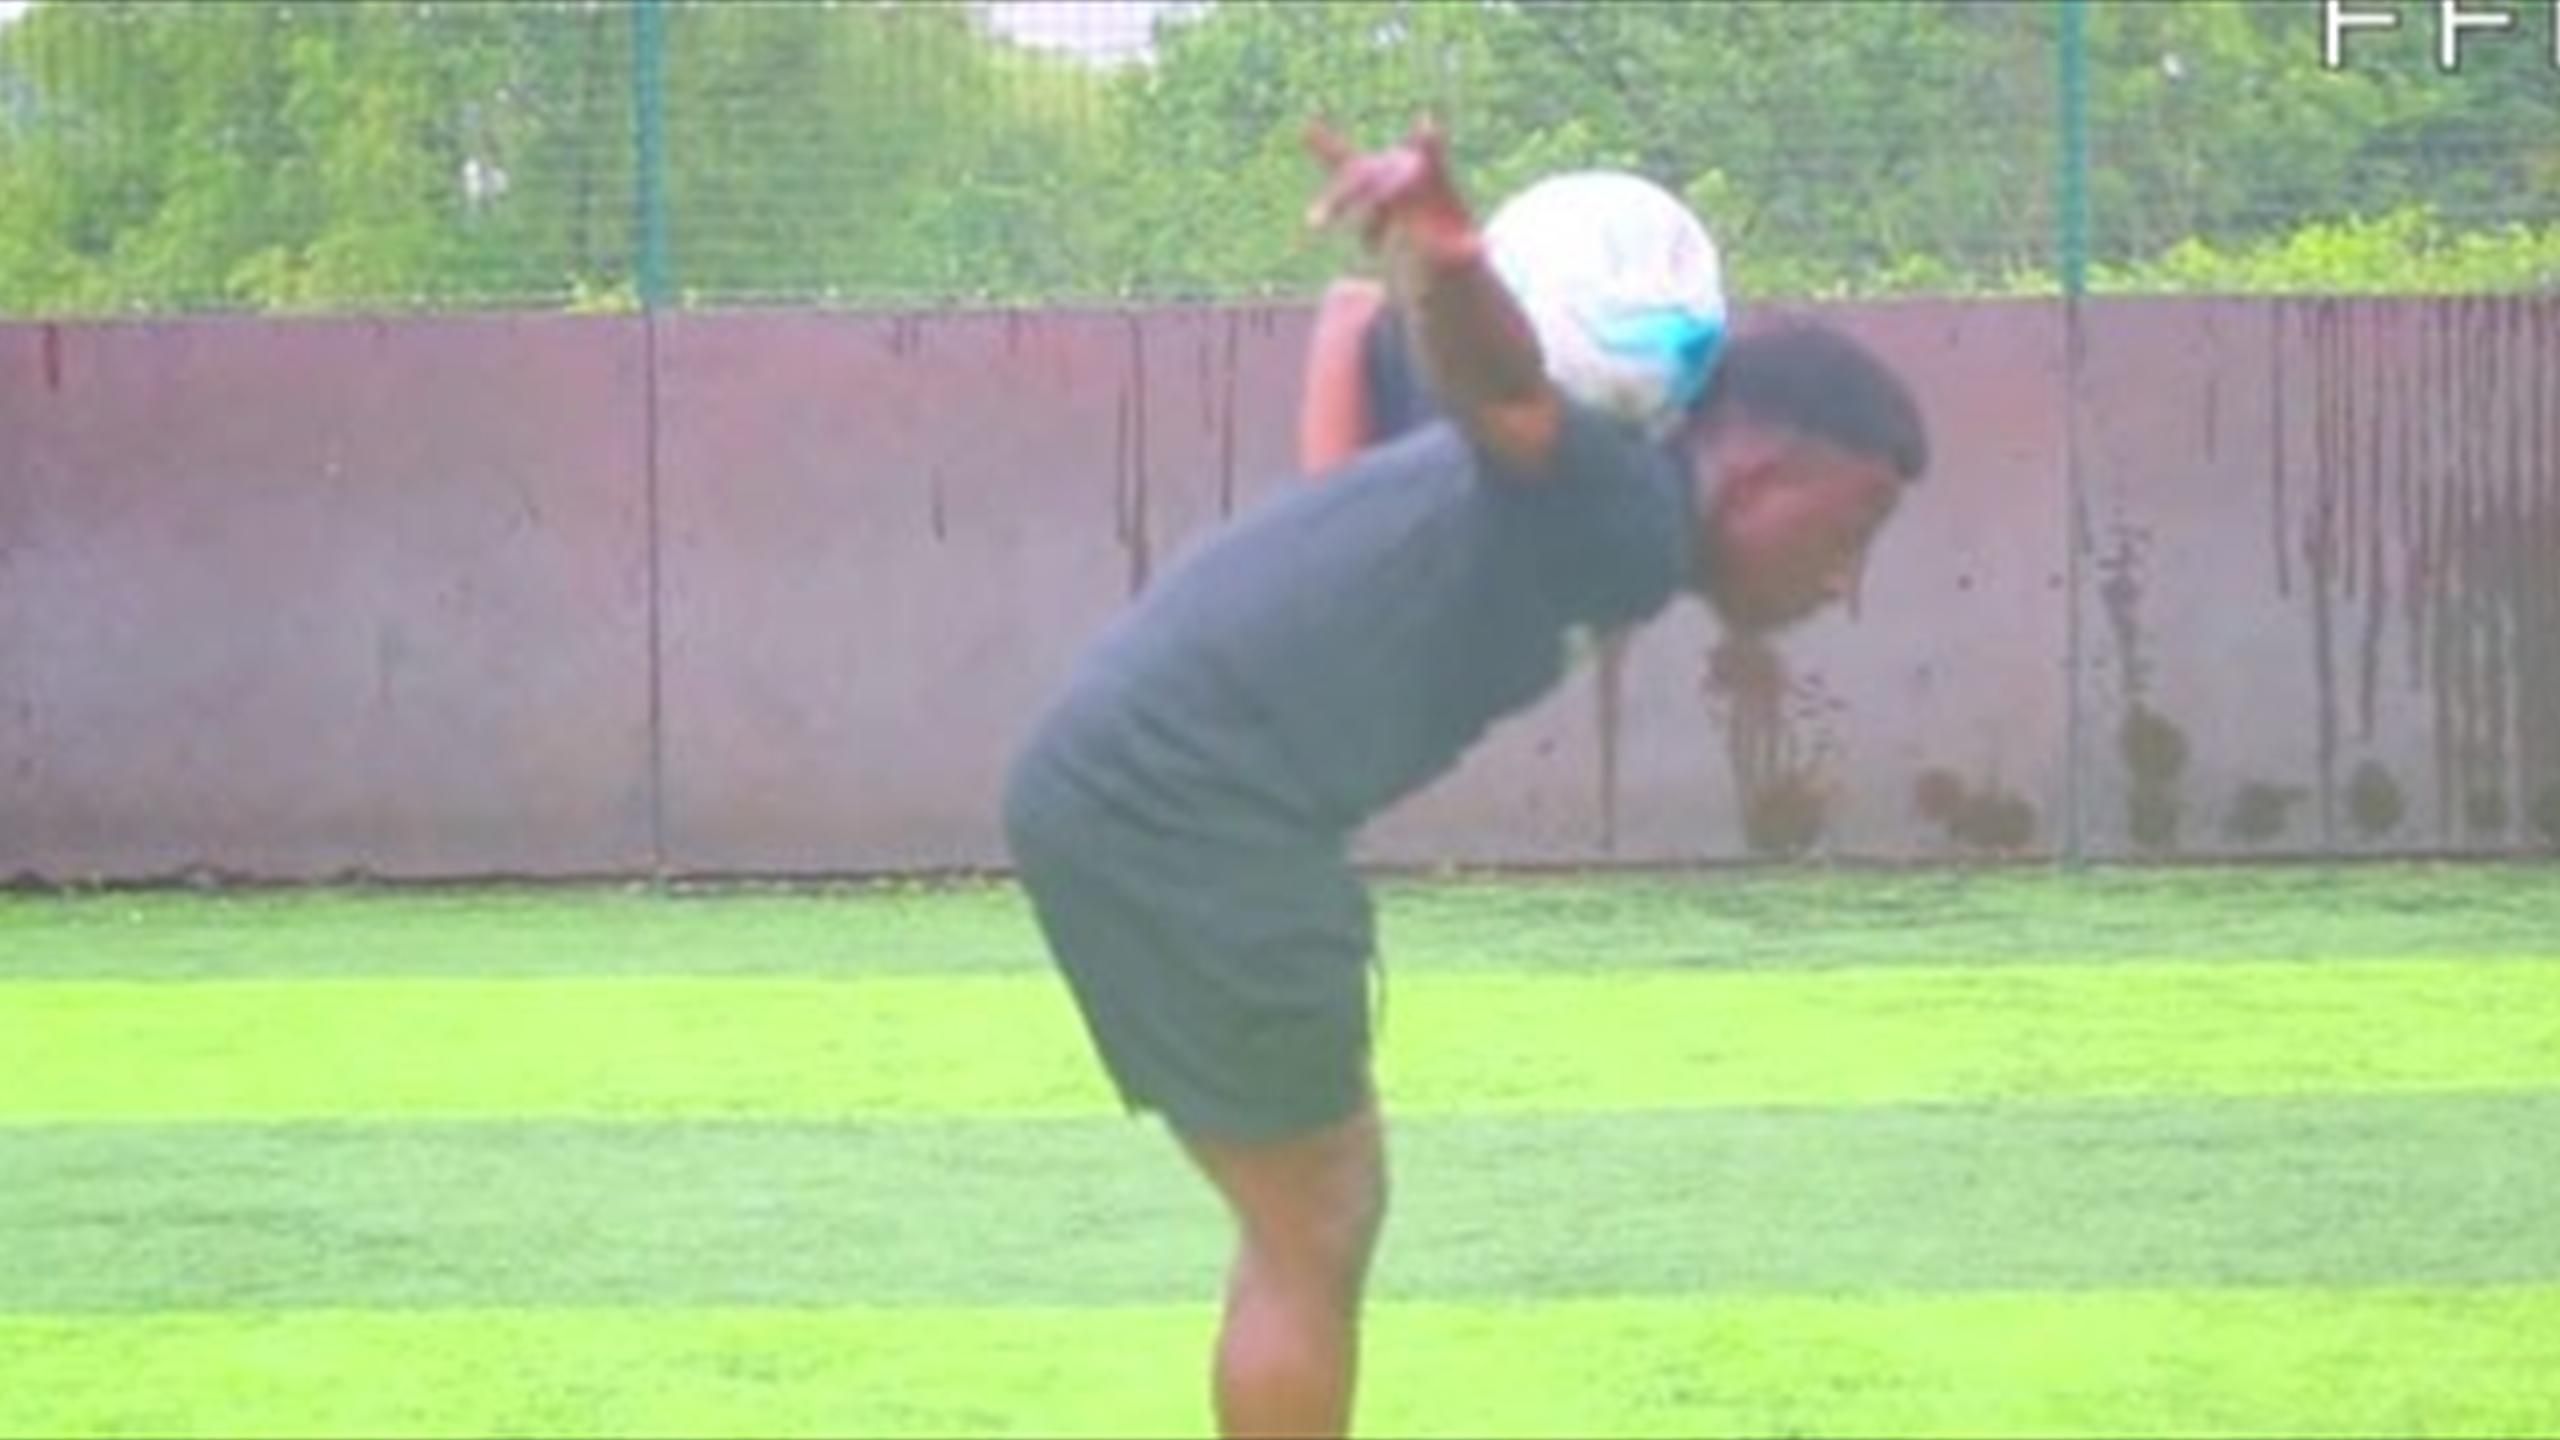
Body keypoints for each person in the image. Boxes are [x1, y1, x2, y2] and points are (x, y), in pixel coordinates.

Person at [1002, 118, 1929, 1439]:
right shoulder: (1633, 511)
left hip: (1124, 785)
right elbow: (1505, 388)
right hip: (1196, 808)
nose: (1845, 582)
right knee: (1316, 1222)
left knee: (1312, 1216)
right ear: (1767, 471)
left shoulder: (1562, 495)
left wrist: (1398, 295)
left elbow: (1359, 387)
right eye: (1857, 528)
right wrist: (1446, 254)